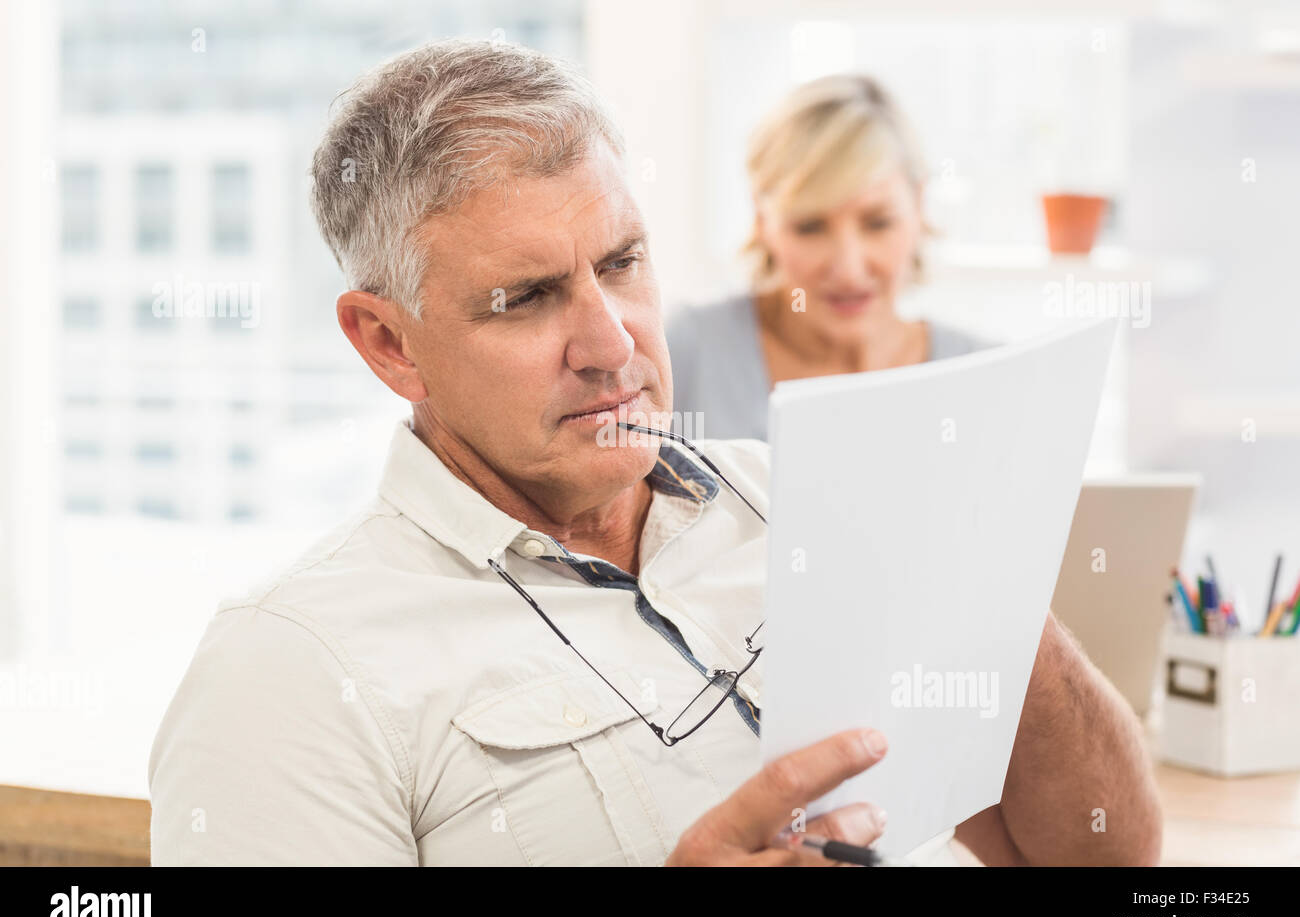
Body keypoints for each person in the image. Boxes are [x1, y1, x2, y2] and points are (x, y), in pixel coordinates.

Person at [148, 39, 1161, 866]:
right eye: (527, 297)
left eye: (623, 263)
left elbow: (1105, 865)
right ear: (389, 342)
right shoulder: (286, 670)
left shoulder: (809, 504)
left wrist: (987, 565)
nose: (614, 342)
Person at [669, 75, 991, 441]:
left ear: (918, 207)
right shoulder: (687, 353)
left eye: (878, 223)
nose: (849, 270)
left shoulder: (986, 374)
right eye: (810, 227)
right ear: (762, 220)